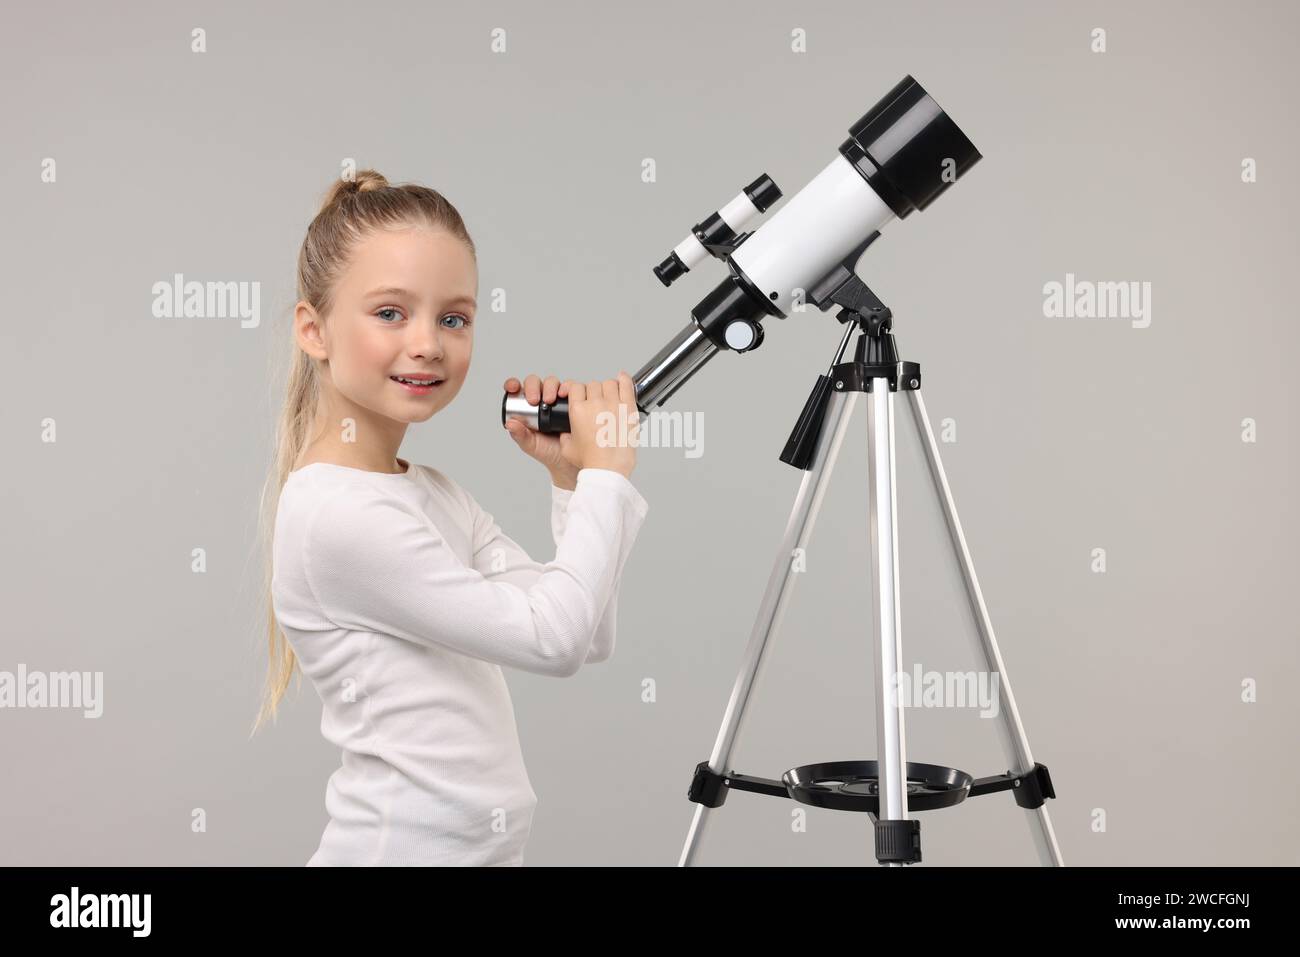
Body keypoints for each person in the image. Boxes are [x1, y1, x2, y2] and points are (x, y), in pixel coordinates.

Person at [251, 169, 649, 865]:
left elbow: (584, 634)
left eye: (454, 317)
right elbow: (551, 640)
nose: (428, 343)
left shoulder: (432, 492)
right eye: (390, 313)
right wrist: (606, 478)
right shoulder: (337, 515)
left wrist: (572, 481)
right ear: (314, 330)